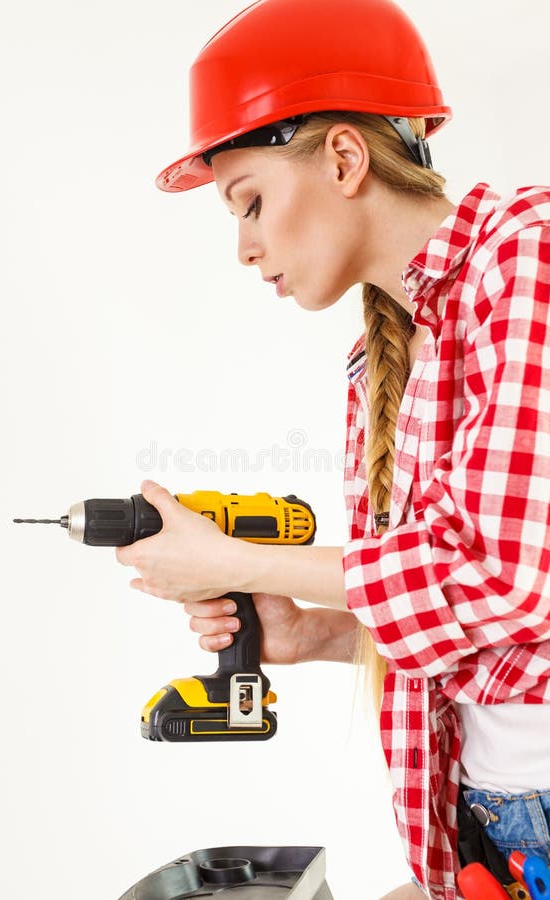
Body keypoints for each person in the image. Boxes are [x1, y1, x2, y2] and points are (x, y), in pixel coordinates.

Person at [115, 1, 550, 897]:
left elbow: (507, 574)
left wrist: (233, 556)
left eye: (251, 202)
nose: (243, 247)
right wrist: (328, 632)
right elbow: (492, 629)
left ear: (344, 158)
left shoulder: (529, 256)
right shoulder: (380, 358)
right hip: (495, 820)